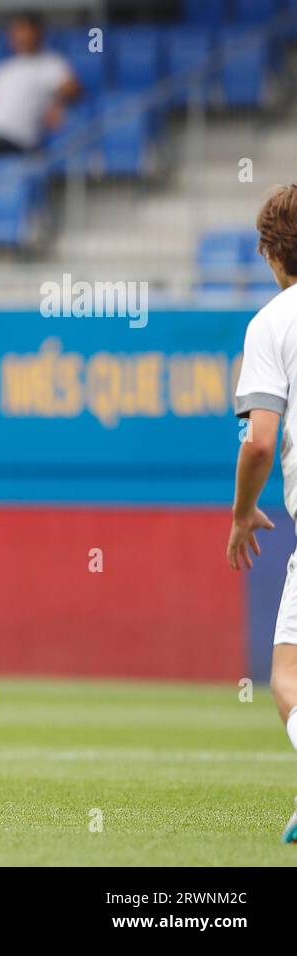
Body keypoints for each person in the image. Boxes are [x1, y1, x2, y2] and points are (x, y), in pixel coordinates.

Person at [227, 182, 297, 842]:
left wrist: (243, 512)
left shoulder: (274, 321)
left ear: (272, 253)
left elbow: (259, 441)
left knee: (286, 677)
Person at [0, 14, 80, 155]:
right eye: (17, 32)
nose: (21, 37)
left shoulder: (51, 63)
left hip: (16, 139)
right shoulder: (2, 68)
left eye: (26, 32)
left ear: (38, 34)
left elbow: (72, 88)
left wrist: (58, 103)